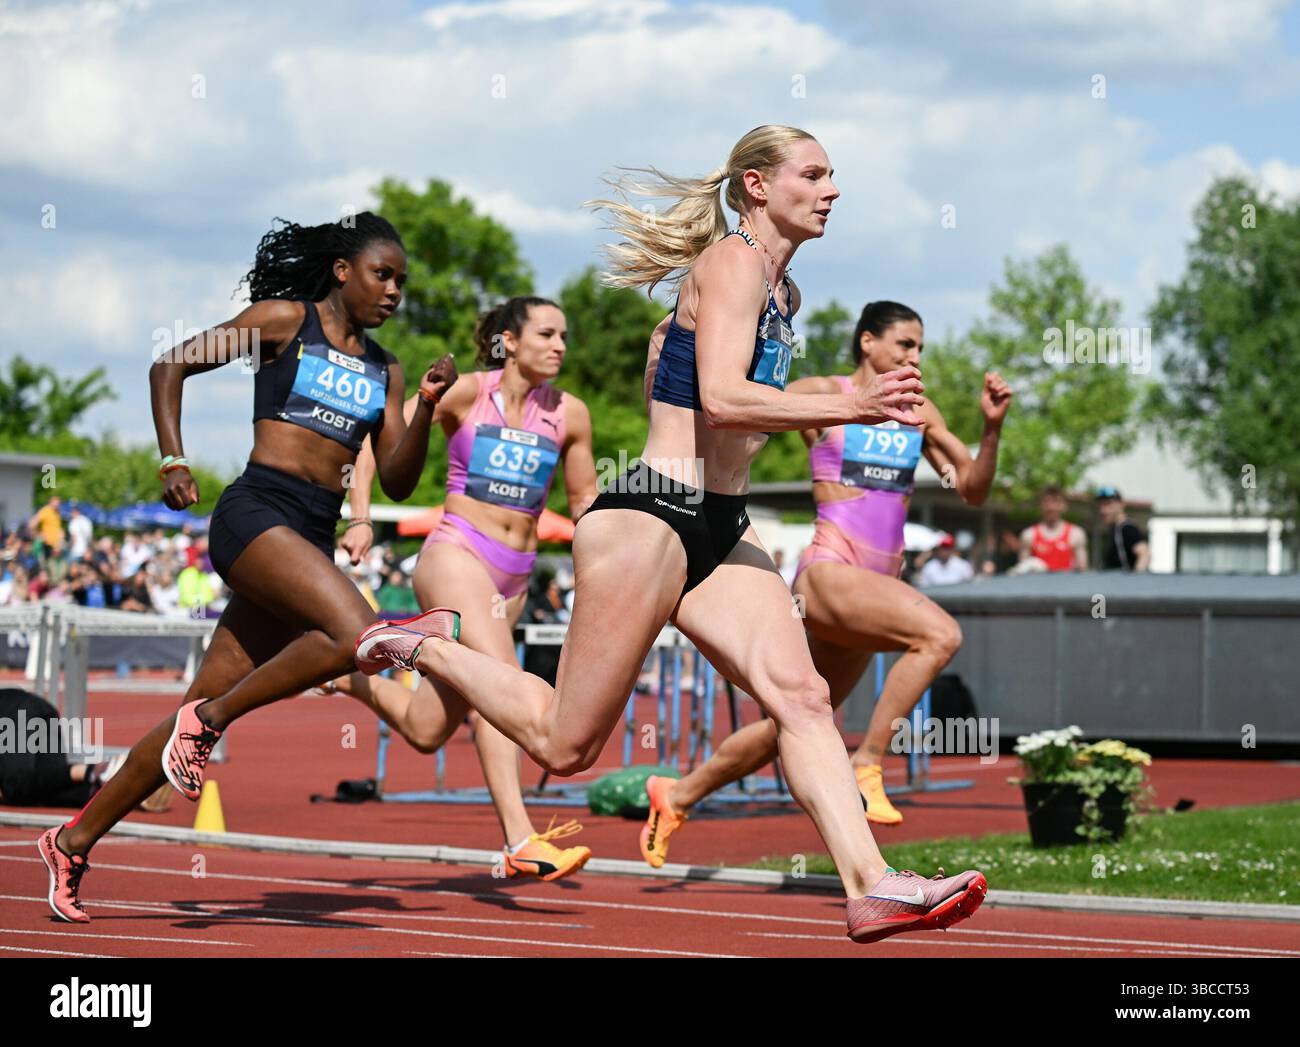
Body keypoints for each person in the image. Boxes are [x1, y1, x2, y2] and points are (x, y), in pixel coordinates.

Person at [355, 127, 987, 944]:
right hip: (652, 515)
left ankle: (871, 884)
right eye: (814, 174)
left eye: (834, 175)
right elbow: (721, 399)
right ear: (757, 186)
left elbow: (696, 383)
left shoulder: (782, 293)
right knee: (566, 742)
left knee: (803, 697)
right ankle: (426, 647)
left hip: (722, 527)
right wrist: (852, 405)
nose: (833, 189)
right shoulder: (730, 262)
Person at [37, 212, 456, 923]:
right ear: (344, 270)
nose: (394, 291)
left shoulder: (386, 369)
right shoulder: (283, 321)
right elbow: (169, 363)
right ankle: (216, 719)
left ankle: (70, 840)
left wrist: (423, 407)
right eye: (383, 275)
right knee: (355, 630)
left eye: (402, 282)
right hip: (256, 513)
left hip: (311, 535)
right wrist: (173, 455)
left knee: (185, 717)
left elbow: (397, 479)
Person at [635, 300, 1010, 842]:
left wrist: (991, 430)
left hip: (875, 588)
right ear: (868, 343)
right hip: (830, 571)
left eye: (920, 348)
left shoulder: (919, 412)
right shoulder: (824, 393)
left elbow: (972, 489)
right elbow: (742, 405)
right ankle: (869, 762)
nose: (915, 357)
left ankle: (676, 794)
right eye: (906, 344)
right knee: (939, 634)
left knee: (791, 721)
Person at [329, 297, 600, 882]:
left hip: (517, 574)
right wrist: (360, 517)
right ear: (508, 340)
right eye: (547, 333)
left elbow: (583, 503)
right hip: (457, 553)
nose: (559, 345)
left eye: (564, 335)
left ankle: (349, 671)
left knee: (427, 731)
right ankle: (519, 838)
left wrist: (611, 565)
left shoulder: (571, 414)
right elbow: (377, 440)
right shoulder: (467, 393)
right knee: (502, 681)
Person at [1020, 485, 1088, 571]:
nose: (1051, 507)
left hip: (1067, 583)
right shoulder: (1028, 535)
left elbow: (1083, 570)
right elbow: (1022, 572)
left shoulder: (1076, 534)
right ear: (1040, 505)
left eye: (1055, 501)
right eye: (1046, 502)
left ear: (1064, 505)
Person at [1096, 486, 1149, 571]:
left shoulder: (1127, 528)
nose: (1103, 510)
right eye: (1100, 505)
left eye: (1108, 504)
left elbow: (1144, 554)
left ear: (1121, 505)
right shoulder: (1115, 530)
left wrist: (1136, 581)